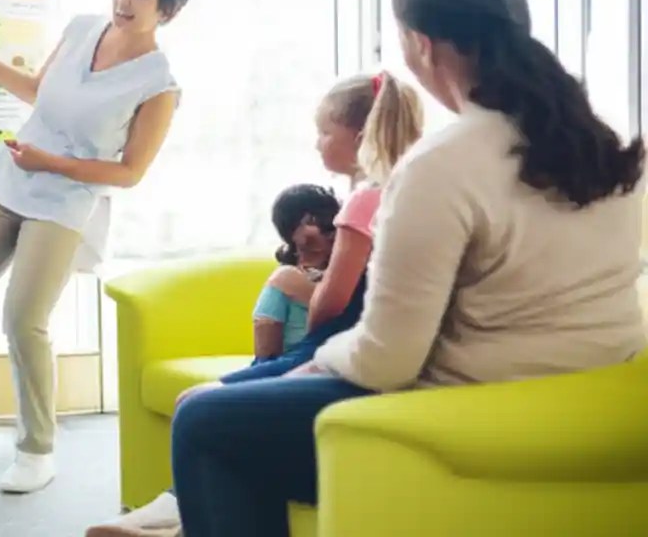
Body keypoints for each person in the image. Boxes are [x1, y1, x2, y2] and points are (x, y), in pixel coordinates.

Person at [171, 0, 647, 537]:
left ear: (421, 44)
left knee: (205, 425)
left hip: (475, 412)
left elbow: (386, 362)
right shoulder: (601, 144)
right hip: (600, 406)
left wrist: (312, 365)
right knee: (239, 410)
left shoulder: (442, 163)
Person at [87, 71, 424, 537]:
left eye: (325, 132)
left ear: (360, 137)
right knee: (203, 404)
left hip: (333, 347)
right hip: (361, 350)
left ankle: (175, 515)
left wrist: (304, 287)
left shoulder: (364, 202)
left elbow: (331, 305)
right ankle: (174, 515)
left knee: (197, 403)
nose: (317, 144)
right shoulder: (411, 192)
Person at [0, 0, 194, 493]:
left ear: (167, 11)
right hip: (10, 179)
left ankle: (36, 448)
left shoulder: (159, 84)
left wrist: (52, 163)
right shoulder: (81, 28)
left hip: (65, 200)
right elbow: (37, 92)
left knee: (23, 320)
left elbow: (129, 172)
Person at [254, 184, 342, 361]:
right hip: (292, 368)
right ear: (291, 232)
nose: (329, 229)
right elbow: (265, 353)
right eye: (313, 222)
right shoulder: (284, 279)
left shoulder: (348, 275)